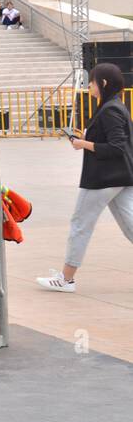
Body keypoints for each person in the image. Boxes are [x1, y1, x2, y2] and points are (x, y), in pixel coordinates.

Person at [36, 63, 133, 292]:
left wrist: (83, 144)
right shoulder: (115, 106)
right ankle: (66, 278)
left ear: (104, 84)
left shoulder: (110, 110)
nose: (89, 85)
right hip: (120, 178)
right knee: (130, 225)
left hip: (103, 179)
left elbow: (116, 147)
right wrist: (86, 140)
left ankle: (66, 279)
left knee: (80, 224)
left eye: (93, 80)